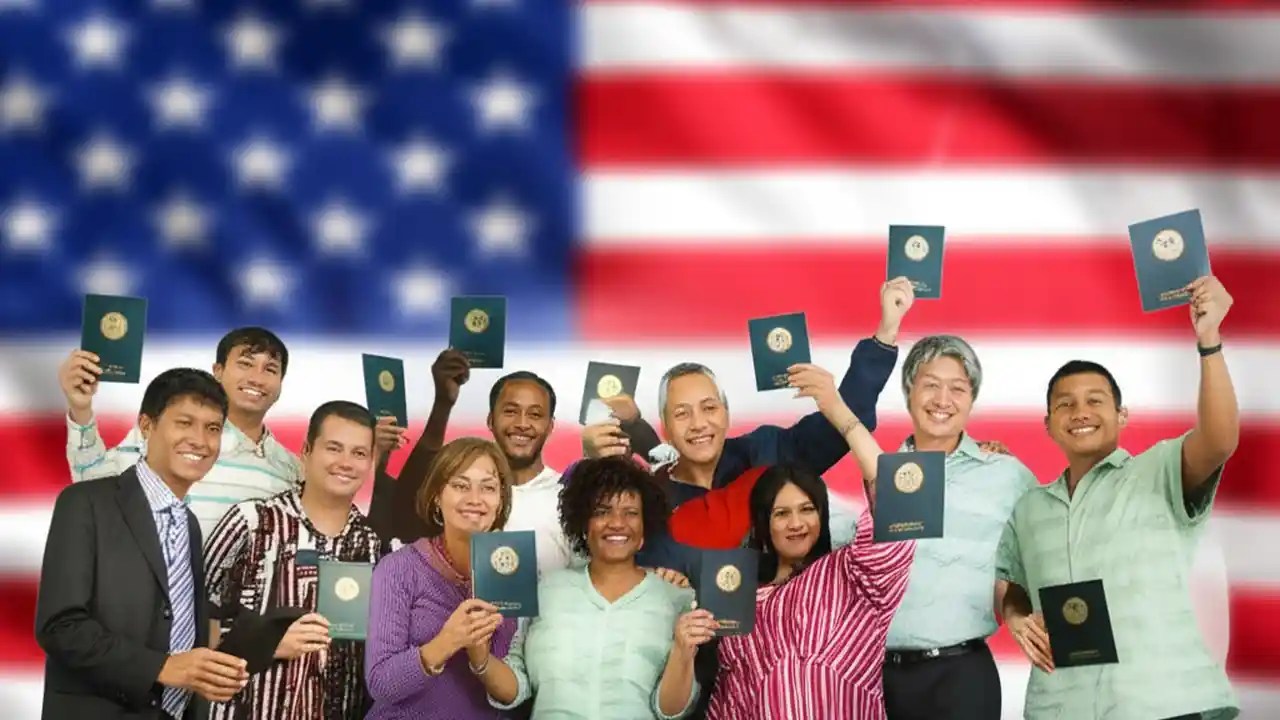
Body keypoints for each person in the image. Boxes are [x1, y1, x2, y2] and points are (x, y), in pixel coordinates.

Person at [996, 276, 1241, 719]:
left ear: (1121, 415)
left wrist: (1209, 342)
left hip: (1160, 704)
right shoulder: (1029, 508)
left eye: (1095, 400)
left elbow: (1220, 440)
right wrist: (1015, 618)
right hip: (1060, 707)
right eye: (1064, 404)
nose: (1080, 412)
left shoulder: (1158, 470)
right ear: (1048, 424)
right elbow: (1013, 586)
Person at [581, 279, 914, 576]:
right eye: (682, 414)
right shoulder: (651, 497)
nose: (699, 424)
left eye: (709, 408)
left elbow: (849, 417)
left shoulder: (769, 451)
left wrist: (886, 332)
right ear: (665, 427)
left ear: (726, 414)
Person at [693, 364, 916, 719]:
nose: (796, 523)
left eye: (807, 509)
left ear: (822, 515)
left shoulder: (855, 576)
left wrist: (837, 410)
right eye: (781, 514)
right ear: (763, 525)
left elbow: (899, 500)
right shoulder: (738, 600)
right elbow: (730, 700)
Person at [36, 368, 250, 719]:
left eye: (212, 428)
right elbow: (61, 627)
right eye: (184, 422)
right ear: (146, 426)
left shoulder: (190, 525)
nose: (200, 440)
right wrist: (161, 667)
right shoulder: (85, 503)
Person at [866, 330, 1037, 720]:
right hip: (877, 676)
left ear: (972, 399)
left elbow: (1046, 544)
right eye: (930, 386)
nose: (943, 401)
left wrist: (1019, 611)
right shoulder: (878, 473)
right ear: (909, 393)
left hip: (961, 675)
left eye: (957, 389)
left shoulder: (1006, 475)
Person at [472, 456, 714, 718]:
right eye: (602, 511)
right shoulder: (546, 590)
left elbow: (671, 711)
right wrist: (480, 658)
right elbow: (516, 687)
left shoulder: (676, 598)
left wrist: (682, 649)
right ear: (584, 525)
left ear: (645, 528)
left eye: (631, 513)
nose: (617, 523)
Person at [203, 401, 389, 719]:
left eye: (359, 453)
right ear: (306, 450)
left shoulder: (372, 546)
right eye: (334, 448)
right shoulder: (252, 522)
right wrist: (266, 644)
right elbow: (195, 619)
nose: (346, 463)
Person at [60, 326, 302, 538]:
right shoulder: (174, 439)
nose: (256, 379)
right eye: (245, 364)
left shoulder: (293, 469)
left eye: (270, 369)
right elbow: (94, 480)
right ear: (218, 371)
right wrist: (80, 408)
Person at [364, 437, 519, 720]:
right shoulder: (399, 569)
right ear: (437, 494)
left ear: (501, 501)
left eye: (488, 487)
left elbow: (518, 690)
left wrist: (480, 657)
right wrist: (447, 641)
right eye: (460, 485)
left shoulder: (514, 571)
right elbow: (380, 684)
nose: (475, 499)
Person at [390, 350, 576, 575]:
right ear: (490, 420)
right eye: (510, 411)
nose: (522, 423)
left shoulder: (569, 498)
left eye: (535, 415)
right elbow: (405, 510)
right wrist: (442, 403)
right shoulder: (459, 494)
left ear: (550, 426)